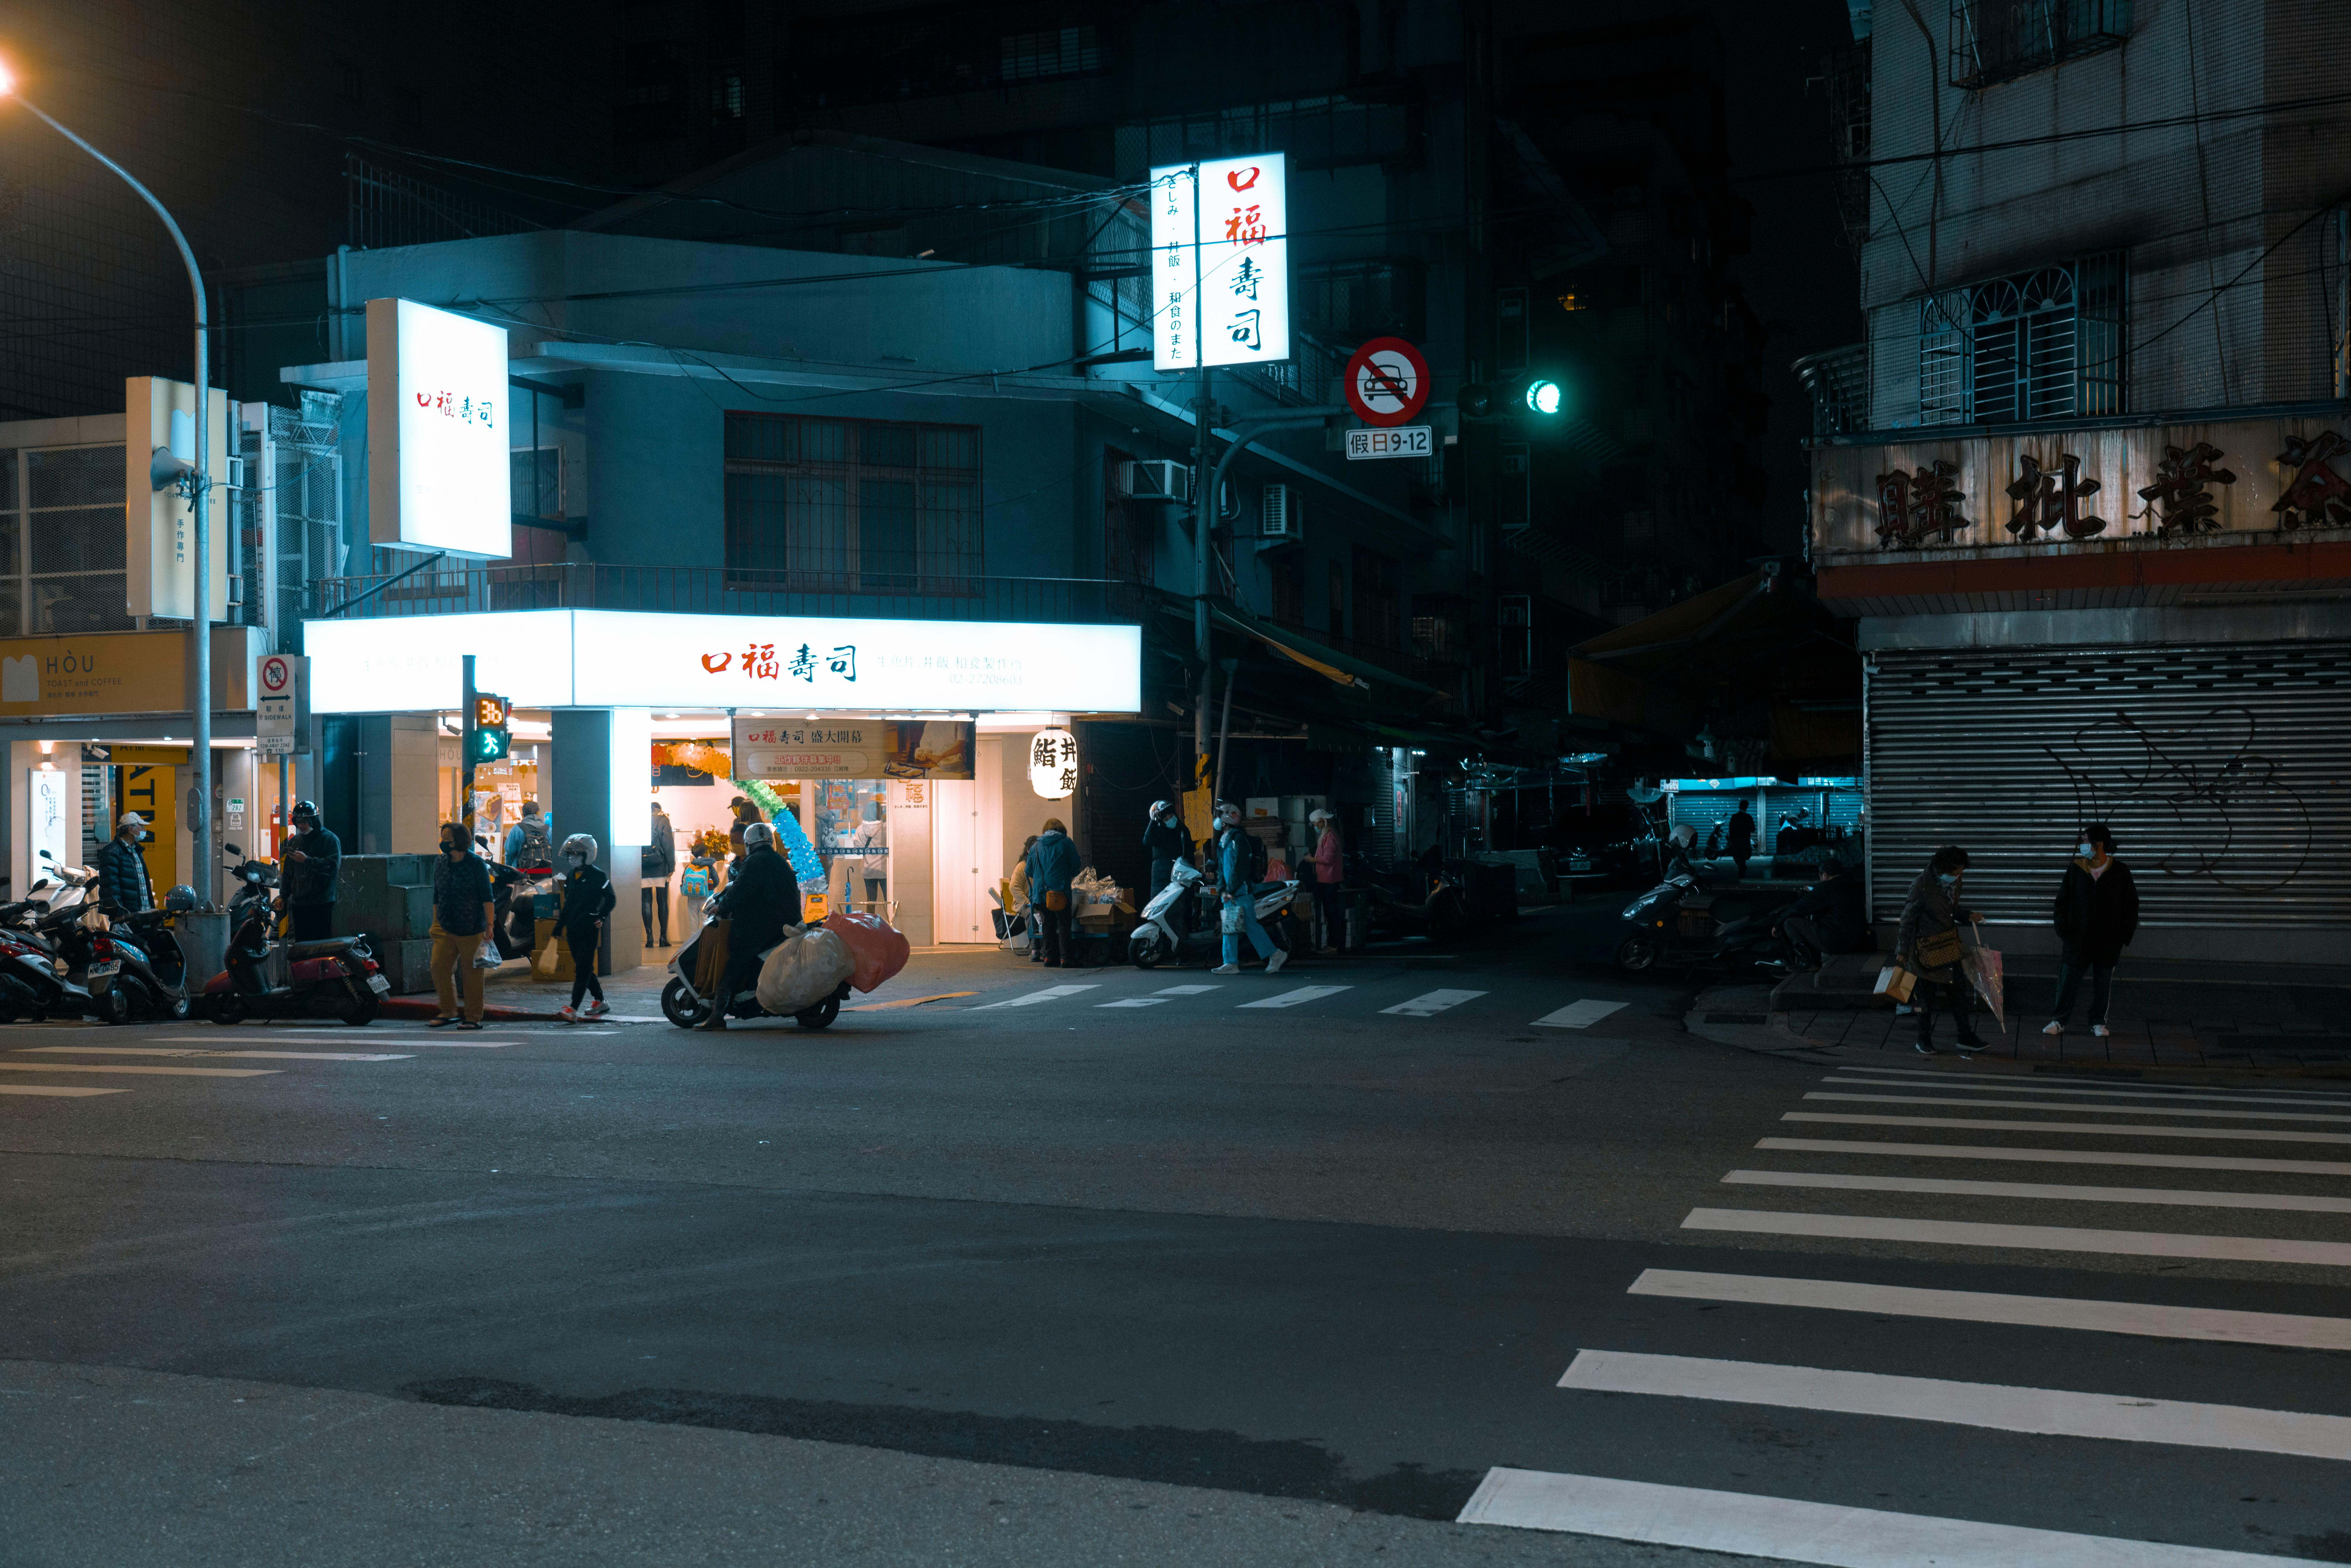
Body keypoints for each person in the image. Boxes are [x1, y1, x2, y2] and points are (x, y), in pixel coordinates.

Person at [699, 820, 800, 1030]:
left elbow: (740, 890)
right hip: (783, 924)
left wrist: (723, 908)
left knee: (733, 967)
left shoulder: (754, 862)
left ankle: (717, 1016)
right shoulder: (779, 861)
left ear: (749, 844)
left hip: (761, 927)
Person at [2044, 823, 2140, 1041]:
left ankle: (2098, 1022)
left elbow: (2131, 905)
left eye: (2086, 841)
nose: (2083, 846)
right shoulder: (2077, 869)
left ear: (2099, 845)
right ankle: (2059, 1021)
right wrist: (2064, 932)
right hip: (2077, 939)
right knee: (2068, 981)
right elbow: (2062, 903)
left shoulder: (2120, 871)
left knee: (2103, 984)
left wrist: (2124, 936)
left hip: (2108, 941)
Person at [1898, 845, 1986, 1055]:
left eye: (1961, 872)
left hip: (1948, 948)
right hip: (1925, 952)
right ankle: (1923, 1039)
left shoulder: (1955, 882)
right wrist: (1902, 951)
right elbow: (1907, 920)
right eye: (1955, 872)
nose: (1958, 876)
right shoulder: (1921, 886)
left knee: (1958, 995)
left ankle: (1966, 1036)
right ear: (1941, 869)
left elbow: (1950, 911)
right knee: (1924, 1000)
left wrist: (1966, 915)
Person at [427, 821, 495, 1031]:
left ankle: (473, 1017)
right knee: (439, 967)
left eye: (448, 840)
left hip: (471, 927)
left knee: (472, 974)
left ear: (460, 840)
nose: (444, 844)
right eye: (443, 839)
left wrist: (490, 925)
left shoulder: (475, 864)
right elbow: (437, 894)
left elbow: (487, 896)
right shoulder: (441, 862)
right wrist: (436, 921)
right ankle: (448, 1011)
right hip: (445, 926)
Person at [1210, 801, 1287, 976]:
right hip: (1231, 894)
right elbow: (1222, 869)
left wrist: (1230, 890)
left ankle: (1275, 955)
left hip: (1241, 892)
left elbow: (1242, 868)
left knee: (1250, 925)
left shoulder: (1239, 839)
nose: (1217, 820)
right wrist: (1223, 890)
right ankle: (1231, 963)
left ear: (1226, 819)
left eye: (1219, 816)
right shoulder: (1224, 842)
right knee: (1230, 926)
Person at [555, 833, 616, 1023]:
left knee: (582, 970)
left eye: (577, 854)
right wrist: (559, 927)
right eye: (570, 854)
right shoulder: (572, 876)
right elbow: (568, 904)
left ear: (587, 855)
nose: (573, 857)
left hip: (589, 928)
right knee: (585, 968)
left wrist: (602, 916)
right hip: (573, 929)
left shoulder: (599, 876)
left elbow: (611, 899)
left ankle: (573, 1008)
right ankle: (600, 1000)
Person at [1770, 860, 1870, 971]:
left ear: (1824, 875)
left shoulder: (1828, 887)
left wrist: (1778, 924)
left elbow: (1799, 908)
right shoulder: (1852, 885)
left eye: (1821, 876)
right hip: (1858, 941)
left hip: (1838, 942)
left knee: (1790, 922)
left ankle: (1807, 962)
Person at [1025, 817, 1081, 968]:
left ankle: (1049, 958)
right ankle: (1066, 959)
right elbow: (1076, 866)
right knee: (1064, 925)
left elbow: (1028, 870)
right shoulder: (1066, 842)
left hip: (1041, 894)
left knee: (1047, 925)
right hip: (1061, 893)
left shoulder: (1036, 846)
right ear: (1061, 830)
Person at [284, 800, 341, 942]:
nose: (301, 826)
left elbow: (333, 866)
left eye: (305, 822)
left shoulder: (329, 840)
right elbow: (288, 872)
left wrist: (308, 861)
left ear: (314, 821)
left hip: (321, 903)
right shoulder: (295, 842)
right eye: (298, 823)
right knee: (302, 945)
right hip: (299, 903)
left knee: (321, 945)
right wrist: (283, 896)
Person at [94, 811, 154, 914]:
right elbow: (111, 888)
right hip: (127, 915)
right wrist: (120, 914)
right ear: (131, 830)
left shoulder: (136, 850)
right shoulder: (112, 852)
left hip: (143, 912)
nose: (145, 831)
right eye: (142, 828)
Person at [1307, 807, 1344, 955]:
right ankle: (1333, 944)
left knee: (1331, 914)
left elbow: (1328, 859)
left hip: (1330, 880)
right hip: (1325, 879)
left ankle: (1334, 945)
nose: (1315, 827)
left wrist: (1312, 859)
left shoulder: (1331, 837)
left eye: (1316, 824)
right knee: (1330, 913)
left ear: (1323, 821)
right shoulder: (1326, 835)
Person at [642, 802, 677, 947]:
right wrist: (672, 865)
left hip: (643, 866)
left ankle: (650, 938)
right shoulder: (663, 820)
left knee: (646, 901)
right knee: (663, 901)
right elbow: (668, 844)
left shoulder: (639, 819)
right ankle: (663, 938)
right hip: (661, 866)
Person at [1142, 800, 1192, 897]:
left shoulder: (1183, 830)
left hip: (1180, 876)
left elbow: (1189, 853)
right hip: (1161, 878)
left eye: (1171, 815)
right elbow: (1147, 842)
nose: (1169, 819)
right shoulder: (1157, 831)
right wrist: (1153, 821)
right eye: (1166, 818)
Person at [1009, 834, 1040, 962]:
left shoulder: (1037, 865)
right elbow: (1013, 887)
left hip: (1036, 900)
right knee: (1032, 913)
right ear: (1029, 850)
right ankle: (1035, 949)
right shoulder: (1022, 867)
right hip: (1023, 904)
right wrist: (1027, 902)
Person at [504, 801, 552, 867]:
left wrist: (509, 870)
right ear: (538, 813)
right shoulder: (548, 829)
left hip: (522, 873)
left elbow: (510, 853)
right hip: (545, 873)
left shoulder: (517, 829)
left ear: (523, 815)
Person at [1726, 799, 1756, 880]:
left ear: (1740, 807)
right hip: (1745, 841)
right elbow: (1753, 829)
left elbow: (1731, 830)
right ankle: (1742, 870)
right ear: (1746, 808)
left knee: (1737, 857)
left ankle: (1741, 871)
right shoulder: (1749, 817)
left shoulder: (1734, 817)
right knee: (1743, 857)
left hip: (1736, 841)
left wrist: (1731, 839)